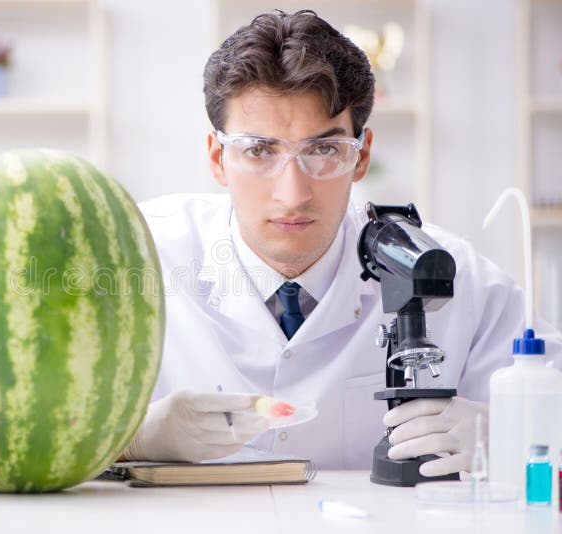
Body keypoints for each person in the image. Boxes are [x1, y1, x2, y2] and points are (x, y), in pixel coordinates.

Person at [121, 10, 562, 475]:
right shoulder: (139, 258)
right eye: (258, 150)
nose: (292, 194)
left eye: (324, 150)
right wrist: (133, 439)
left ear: (362, 155)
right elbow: (39, 434)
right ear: (217, 157)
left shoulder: (449, 273)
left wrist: (517, 434)